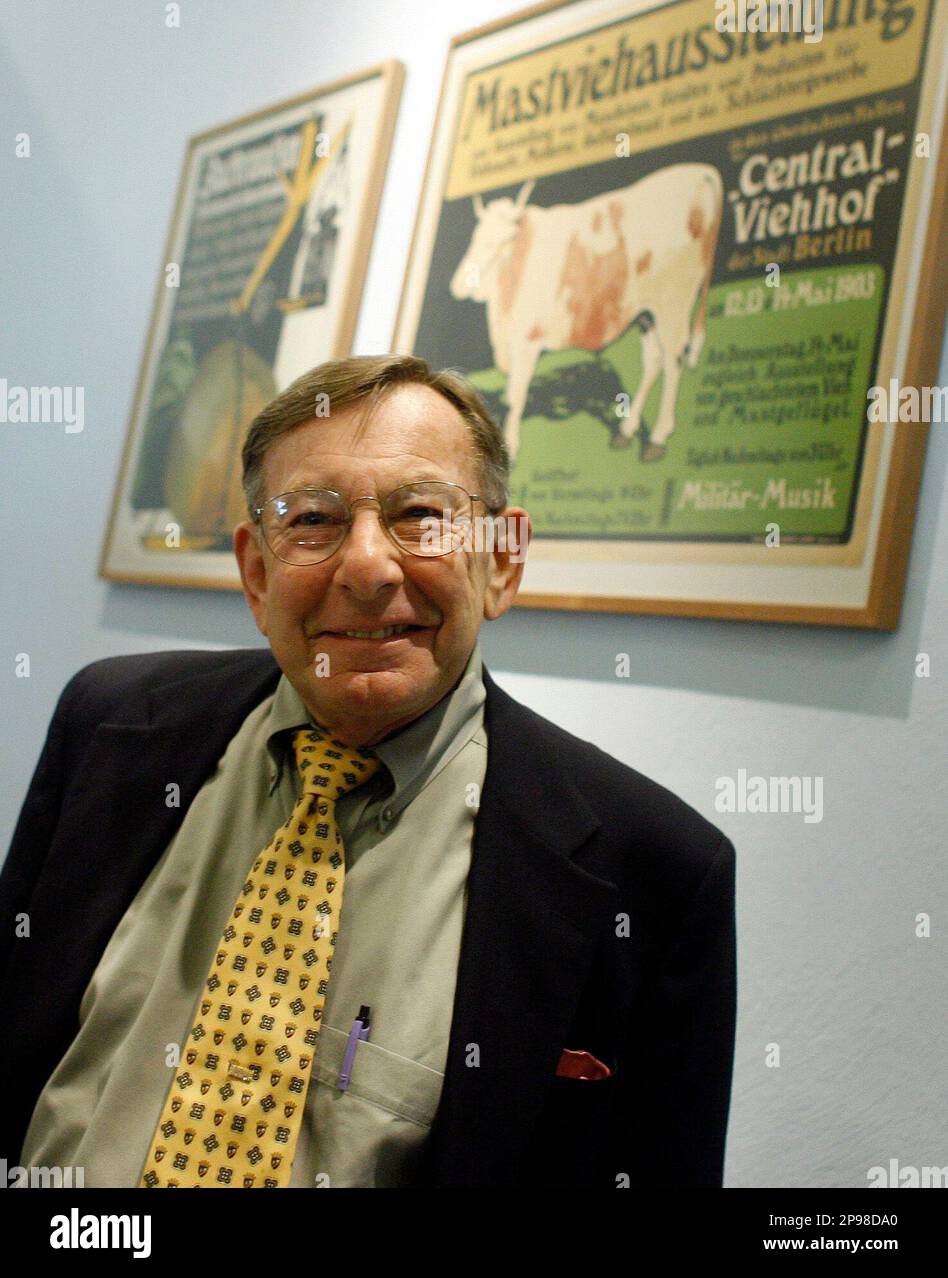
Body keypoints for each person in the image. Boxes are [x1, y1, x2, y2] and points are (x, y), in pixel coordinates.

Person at [0, 353, 736, 1188]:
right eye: (311, 520)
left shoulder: (654, 873)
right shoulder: (109, 728)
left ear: (502, 560)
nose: (367, 566)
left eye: (420, 514)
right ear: (255, 570)